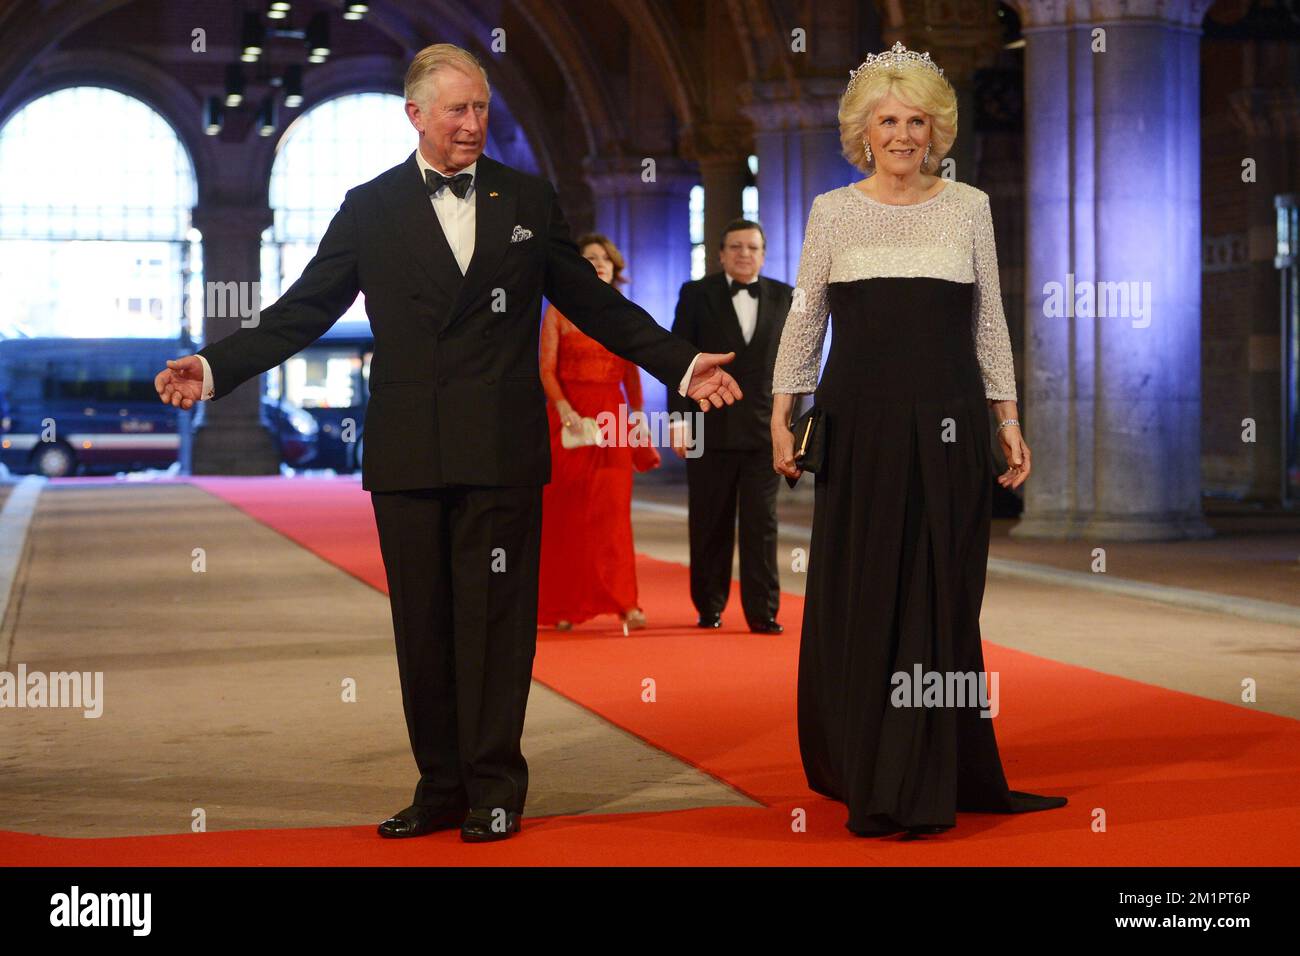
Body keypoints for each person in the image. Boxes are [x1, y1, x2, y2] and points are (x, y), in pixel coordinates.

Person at [154, 43, 742, 843]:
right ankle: (439, 788)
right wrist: (213, 364)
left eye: (482, 111)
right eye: (458, 110)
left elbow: (595, 307)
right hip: (409, 454)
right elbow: (303, 310)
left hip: (501, 450)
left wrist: (681, 361)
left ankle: (496, 788)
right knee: (424, 631)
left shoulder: (527, 198)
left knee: (497, 629)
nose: (473, 125)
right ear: (416, 115)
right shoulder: (370, 207)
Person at [770, 42, 1067, 836]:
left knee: (943, 594)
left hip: (951, 424)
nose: (904, 134)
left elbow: (990, 321)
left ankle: (936, 765)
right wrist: (781, 410)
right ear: (863, 132)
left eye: (917, 121)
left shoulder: (968, 206)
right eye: (888, 120)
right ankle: (874, 770)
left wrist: (1007, 419)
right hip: (859, 425)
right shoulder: (832, 210)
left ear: (938, 131)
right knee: (866, 595)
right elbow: (807, 317)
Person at [668, 219, 792, 633]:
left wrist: (791, 426)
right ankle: (709, 606)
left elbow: (794, 366)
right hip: (708, 428)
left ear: (762, 253)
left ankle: (763, 612)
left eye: (752, 247)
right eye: (736, 247)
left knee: (762, 524)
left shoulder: (785, 296)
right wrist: (678, 421)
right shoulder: (696, 294)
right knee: (709, 522)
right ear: (720, 254)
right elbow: (678, 361)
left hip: (764, 431)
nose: (744, 254)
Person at [537, 233, 659, 631]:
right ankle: (563, 605)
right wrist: (564, 408)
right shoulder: (557, 312)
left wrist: (638, 416)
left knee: (613, 512)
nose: (600, 263)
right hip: (569, 419)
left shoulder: (625, 312)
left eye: (606, 259)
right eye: (590, 257)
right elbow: (546, 369)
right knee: (566, 512)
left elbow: (632, 371)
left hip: (613, 417)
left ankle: (626, 602)